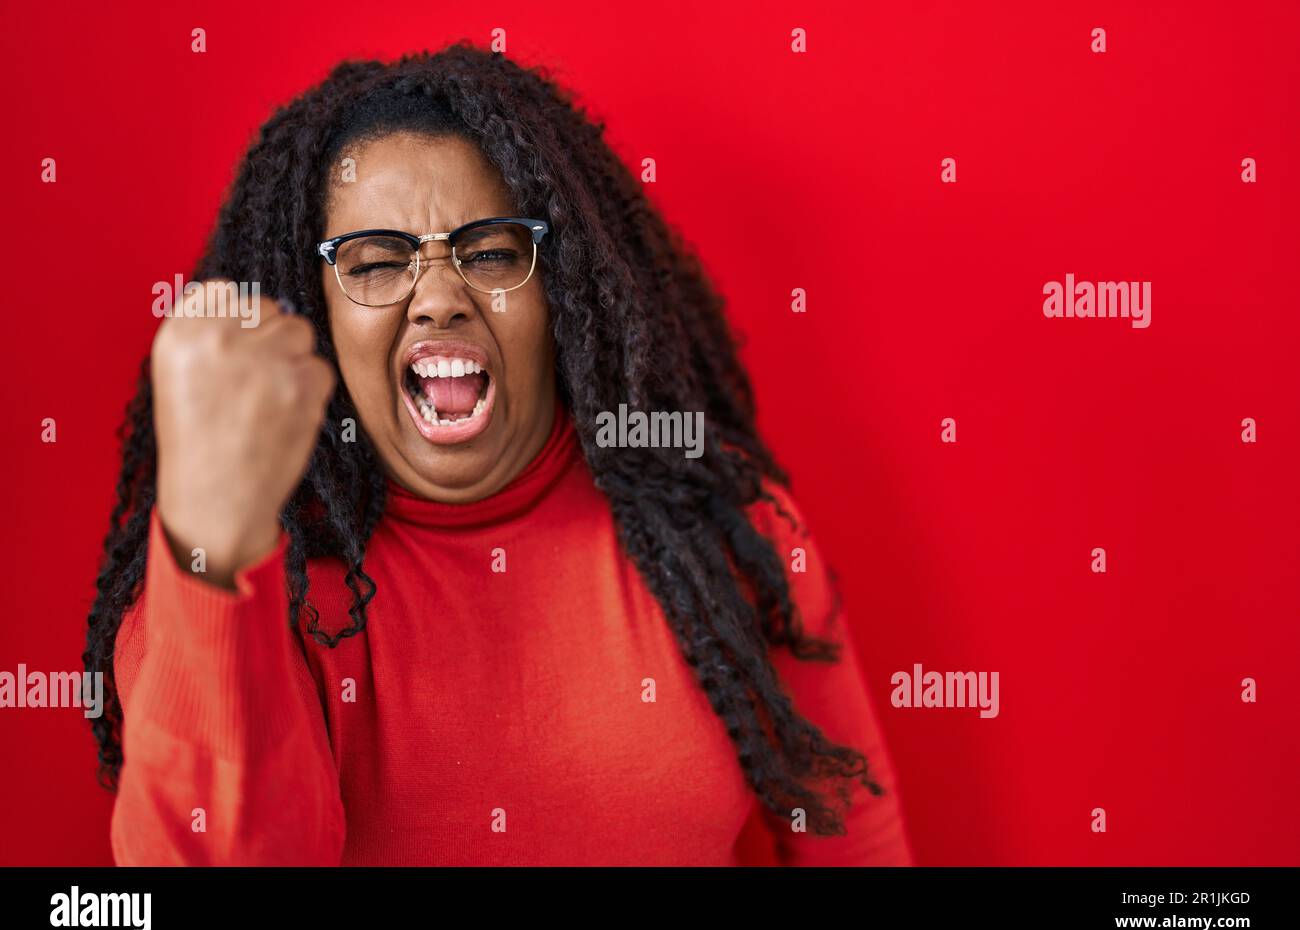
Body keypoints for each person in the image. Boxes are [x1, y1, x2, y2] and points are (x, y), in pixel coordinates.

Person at [83, 43, 914, 866]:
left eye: (489, 253)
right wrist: (214, 559)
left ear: (564, 287)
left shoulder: (721, 529)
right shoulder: (237, 575)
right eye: (377, 262)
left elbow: (856, 841)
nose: (439, 299)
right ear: (313, 313)